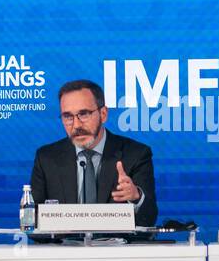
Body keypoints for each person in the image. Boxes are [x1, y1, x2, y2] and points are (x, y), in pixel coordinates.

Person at [28, 78, 157, 227]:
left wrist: (136, 197)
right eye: (68, 116)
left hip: (117, 249)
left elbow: (149, 219)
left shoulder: (135, 154)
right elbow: (33, 221)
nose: (76, 125)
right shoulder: (46, 158)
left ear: (103, 114)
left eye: (83, 114)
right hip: (63, 248)